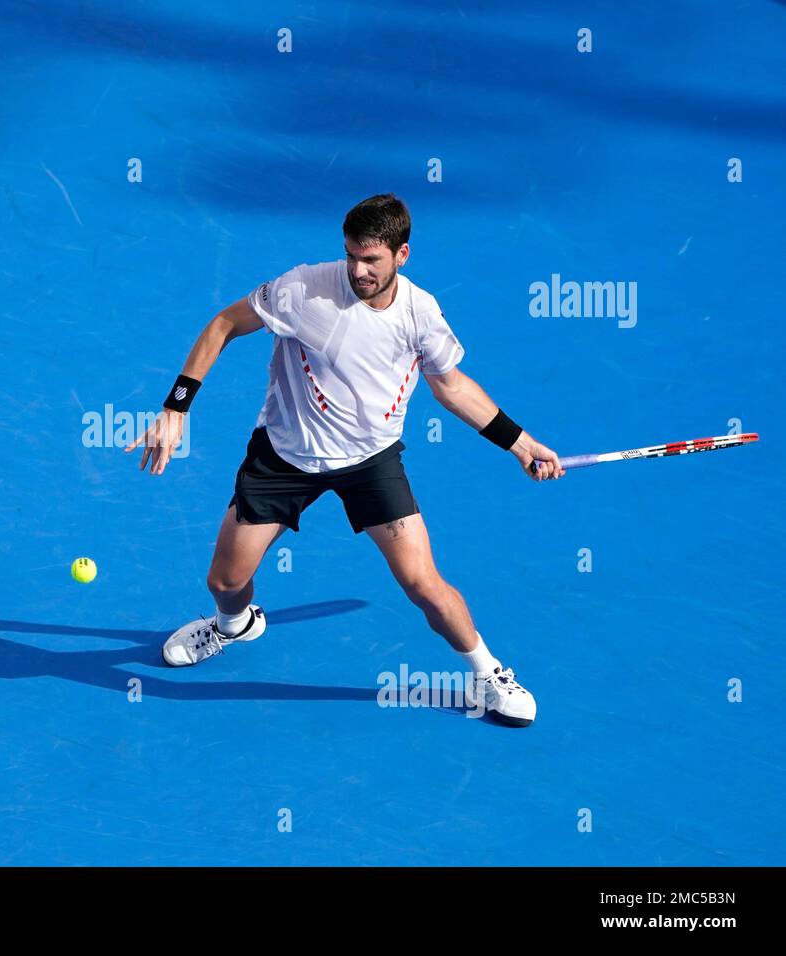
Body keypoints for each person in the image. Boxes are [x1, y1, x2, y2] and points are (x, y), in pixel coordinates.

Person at [124, 194, 564, 727]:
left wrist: (521, 443)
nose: (357, 270)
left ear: (401, 254)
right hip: (285, 456)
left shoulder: (421, 315)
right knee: (223, 582)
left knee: (423, 583)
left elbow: (452, 388)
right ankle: (233, 624)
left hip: (371, 462)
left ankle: (487, 672)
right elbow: (223, 324)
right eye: (351, 255)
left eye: (371, 260)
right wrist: (176, 408)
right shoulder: (302, 288)